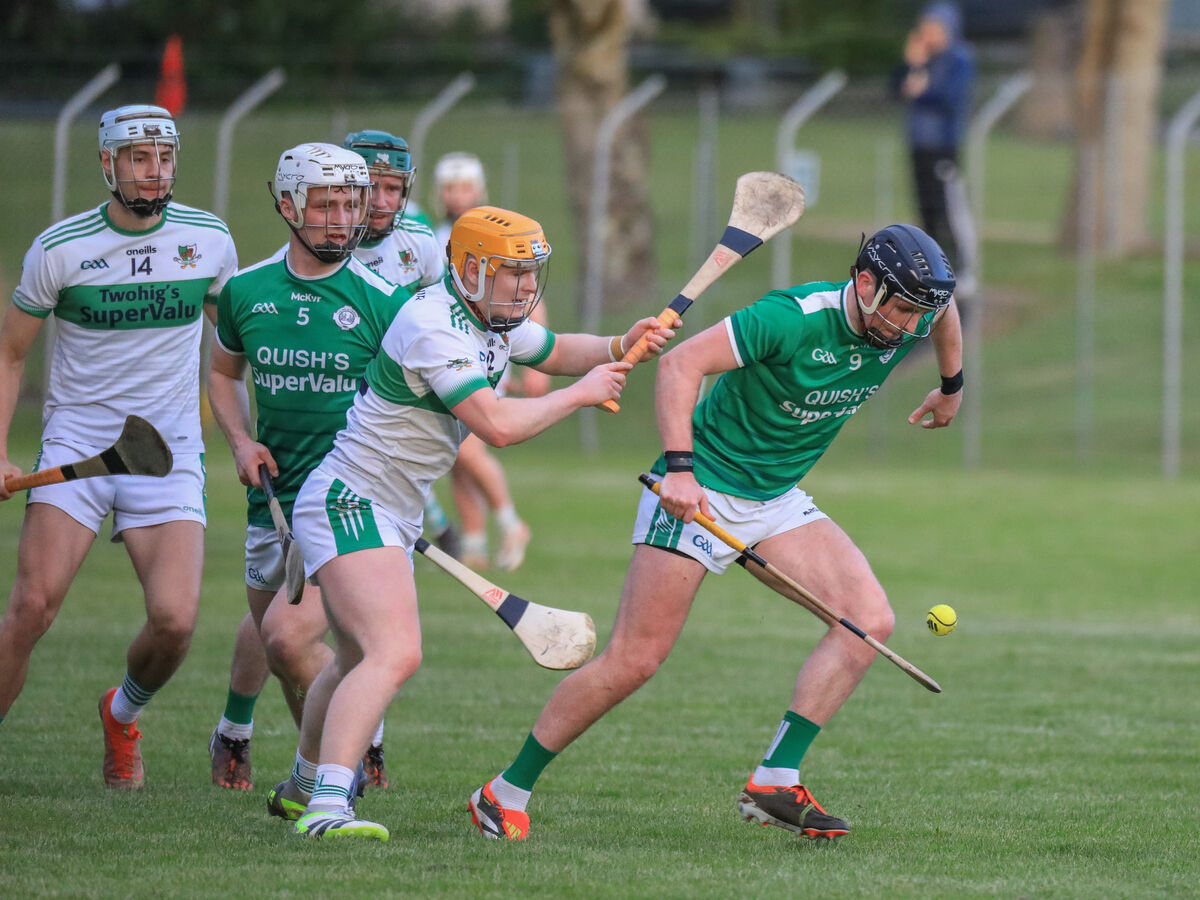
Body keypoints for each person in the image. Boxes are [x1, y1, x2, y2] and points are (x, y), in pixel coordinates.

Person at [467, 223, 963, 842]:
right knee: (634, 661)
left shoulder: (906, 316)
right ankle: (502, 792)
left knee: (867, 621)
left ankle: (774, 781)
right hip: (699, 490)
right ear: (864, 284)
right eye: (901, 310)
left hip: (775, 500)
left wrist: (951, 387)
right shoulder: (791, 318)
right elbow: (679, 365)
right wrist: (679, 467)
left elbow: (944, 314)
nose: (909, 327)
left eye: (921, 314)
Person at [272, 205, 676, 840]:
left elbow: (557, 349)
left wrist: (623, 344)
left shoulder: (490, 320)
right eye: (509, 272)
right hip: (352, 499)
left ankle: (301, 786)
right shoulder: (433, 324)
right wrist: (582, 393)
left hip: (386, 509)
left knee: (353, 658)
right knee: (393, 652)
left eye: (529, 272)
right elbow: (499, 425)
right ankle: (327, 806)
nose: (523, 286)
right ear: (466, 270)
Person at [0, 104, 237, 789]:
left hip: (165, 451)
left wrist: (252, 433)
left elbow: (231, 353)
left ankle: (121, 712)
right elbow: (12, 355)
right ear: (108, 164)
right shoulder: (61, 248)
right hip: (76, 444)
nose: (153, 171)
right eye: (138, 158)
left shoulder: (209, 240)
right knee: (31, 609)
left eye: (163, 157)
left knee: (175, 624)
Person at [206, 142, 409, 795]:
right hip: (271, 497)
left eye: (352, 203)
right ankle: (315, 775)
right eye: (326, 204)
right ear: (288, 205)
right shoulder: (246, 292)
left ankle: (341, 763)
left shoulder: (386, 299)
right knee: (280, 650)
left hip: (347, 505)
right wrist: (239, 440)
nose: (343, 218)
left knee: (292, 640)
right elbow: (221, 372)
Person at [433, 152, 547, 571]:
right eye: (449, 187)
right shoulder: (436, 235)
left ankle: (511, 521)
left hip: (483, 354)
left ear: (479, 190)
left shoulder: (494, 234)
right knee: (456, 455)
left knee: (467, 448)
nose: (456, 195)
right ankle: (475, 544)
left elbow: (530, 295)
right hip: (453, 351)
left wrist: (533, 365)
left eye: (464, 187)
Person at [895, 2, 975, 267]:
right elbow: (899, 88)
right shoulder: (920, 59)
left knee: (946, 209)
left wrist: (922, 90)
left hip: (943, 146)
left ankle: (958, 266)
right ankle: (930, 264)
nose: (927, 33)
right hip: (919, 145)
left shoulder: (959, 59)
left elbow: (948, 97)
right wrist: (913, 65)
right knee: (925, 208)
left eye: (933, 28)